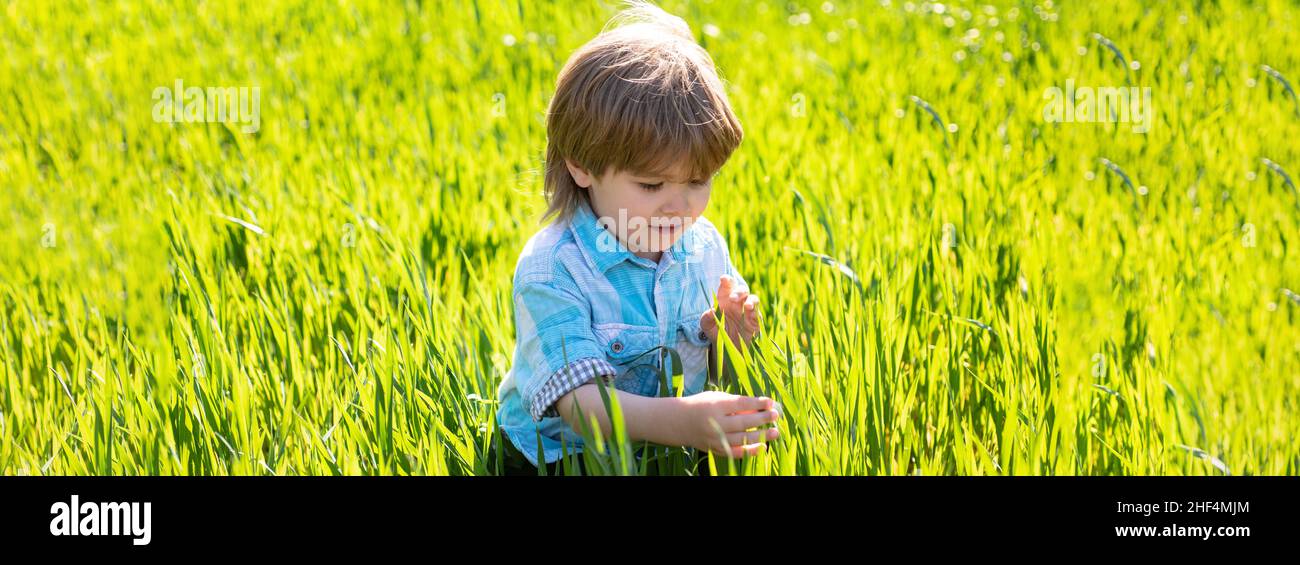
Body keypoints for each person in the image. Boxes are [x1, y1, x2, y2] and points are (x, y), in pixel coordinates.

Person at [491, 0, 781, 475]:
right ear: (581, 166)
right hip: (564, 454)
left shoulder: (702, 247)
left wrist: (732, 341)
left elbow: (717, 374)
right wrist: (683, 424)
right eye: (651, 185)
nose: (679, 205)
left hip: (670, 445)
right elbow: (581, 408)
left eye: (697, 181)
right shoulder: (554, 268)